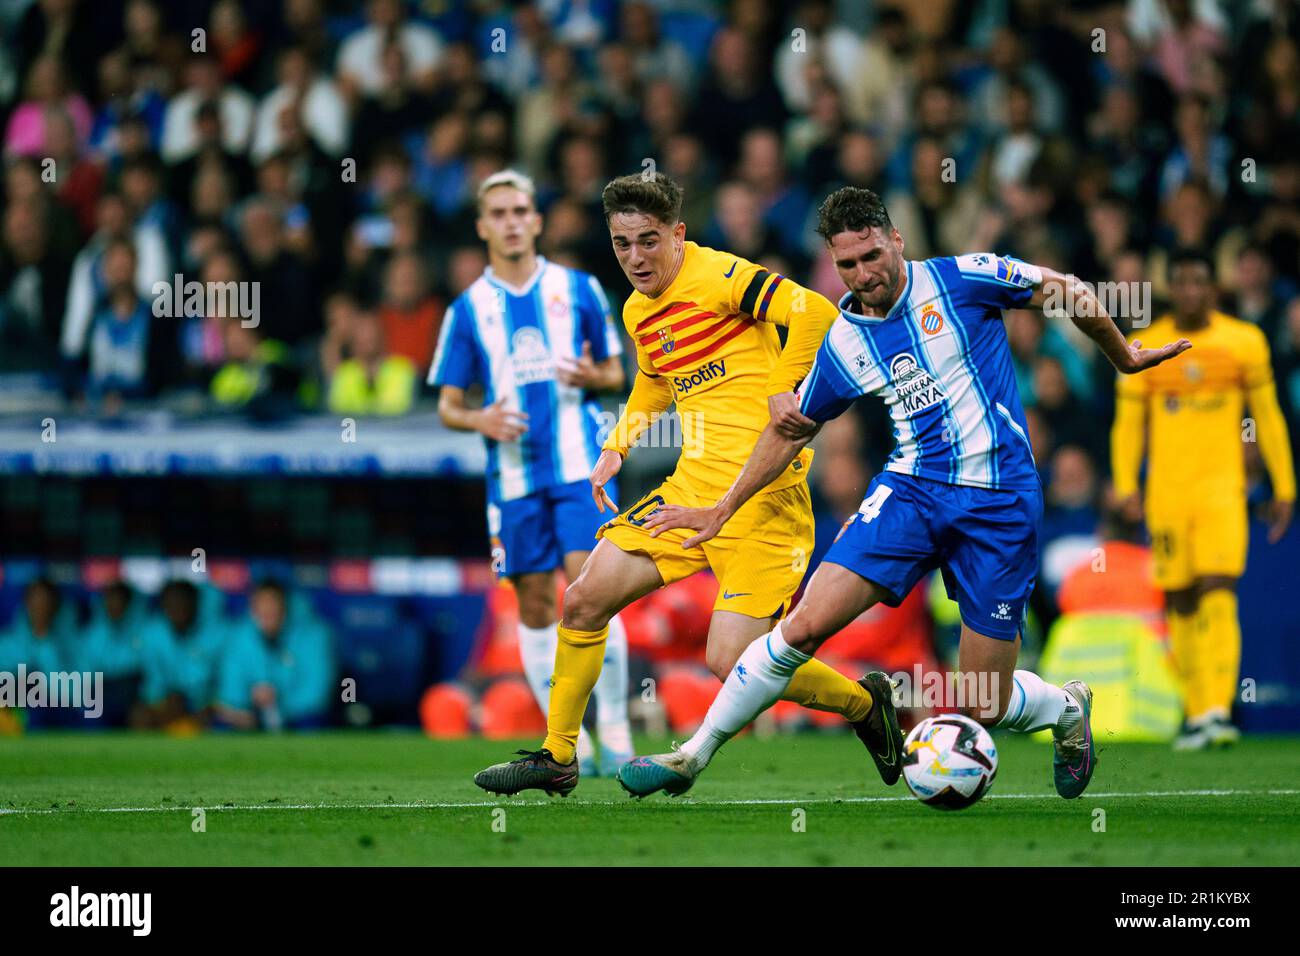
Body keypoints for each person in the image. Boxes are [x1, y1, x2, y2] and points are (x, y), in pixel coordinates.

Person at [619, 186, 1191, 799]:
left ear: (896, 241)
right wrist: (722, 508)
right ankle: (692, 755)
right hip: (911, 492)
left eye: (871, 257)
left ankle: (1065, 708)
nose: (863, 275)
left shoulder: (966, 277)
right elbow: (790, 432)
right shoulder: (844, 339)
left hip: (998, 502)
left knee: (986, 703)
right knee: (802, 626)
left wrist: (1122, 356)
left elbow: (1067, 290)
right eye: (846, 265)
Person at [472, 172, 902, 798]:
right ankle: (558, 755)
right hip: (688, 489)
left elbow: (810, 309)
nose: (636, 258)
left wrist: (785, 384)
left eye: (649, 241)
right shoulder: (637, 309)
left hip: (762, 498)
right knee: (583, 601)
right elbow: (654, 378)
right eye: (622, 244)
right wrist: (617, 446)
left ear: (677, 234)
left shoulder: (721, 276)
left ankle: (865, 704)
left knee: (733, 663)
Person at [430, 170, 634, 777]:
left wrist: (589, 377)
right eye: (499, 212)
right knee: (537, 604)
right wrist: (481, 419)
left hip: (581, 473)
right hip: (513, 483)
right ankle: (569, 742)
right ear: (483, 225)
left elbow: (619, 374)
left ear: (537, 220)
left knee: (592, 593)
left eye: (521, 209)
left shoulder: (579, 290)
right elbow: (446, 405)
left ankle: (618, 727)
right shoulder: (468, 310)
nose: (512, 221)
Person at [1111, 248, 1295, 750]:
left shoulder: (1243, 342)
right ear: (1171, 286)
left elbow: (1269, 416)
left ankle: (1216, 707)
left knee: (1219, 588)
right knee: (1180, 598)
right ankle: (1196, 713)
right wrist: (1127, 485)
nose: (1191, 291)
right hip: (1166, 494)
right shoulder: (1144, 345)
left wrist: (1285, 485)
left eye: (1200, 282)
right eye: (1182, 282)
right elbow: (1128, 427)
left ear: (1214, 286)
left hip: (1222, 490)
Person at [214, 580, 334, 730]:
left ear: (285, 609)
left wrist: (279, 701)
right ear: (252, 610)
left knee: (312, 723)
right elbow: (231, 692)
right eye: (261, 609)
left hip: (299, 716)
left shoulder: (313, 635)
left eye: (273, 608)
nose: (267, 613)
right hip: (252, 715)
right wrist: (249, 705)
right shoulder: (238, 637)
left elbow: (317, 693)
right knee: (224, 726)